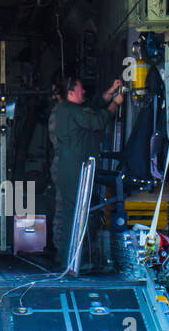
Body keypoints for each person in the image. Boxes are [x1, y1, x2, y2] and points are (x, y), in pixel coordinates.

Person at [51, 77, 125, 268]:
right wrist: (114, 104)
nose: (83, 92)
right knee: (74, 216)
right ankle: (71, 260)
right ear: (70, 92)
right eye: (80, 89)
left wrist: (109, 92)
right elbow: (97, 121)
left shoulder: (67, 109)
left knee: (73, 215)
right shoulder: (71, 110)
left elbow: (91, 107)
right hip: (75, 173)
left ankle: (70, 259)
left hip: (72, 171)